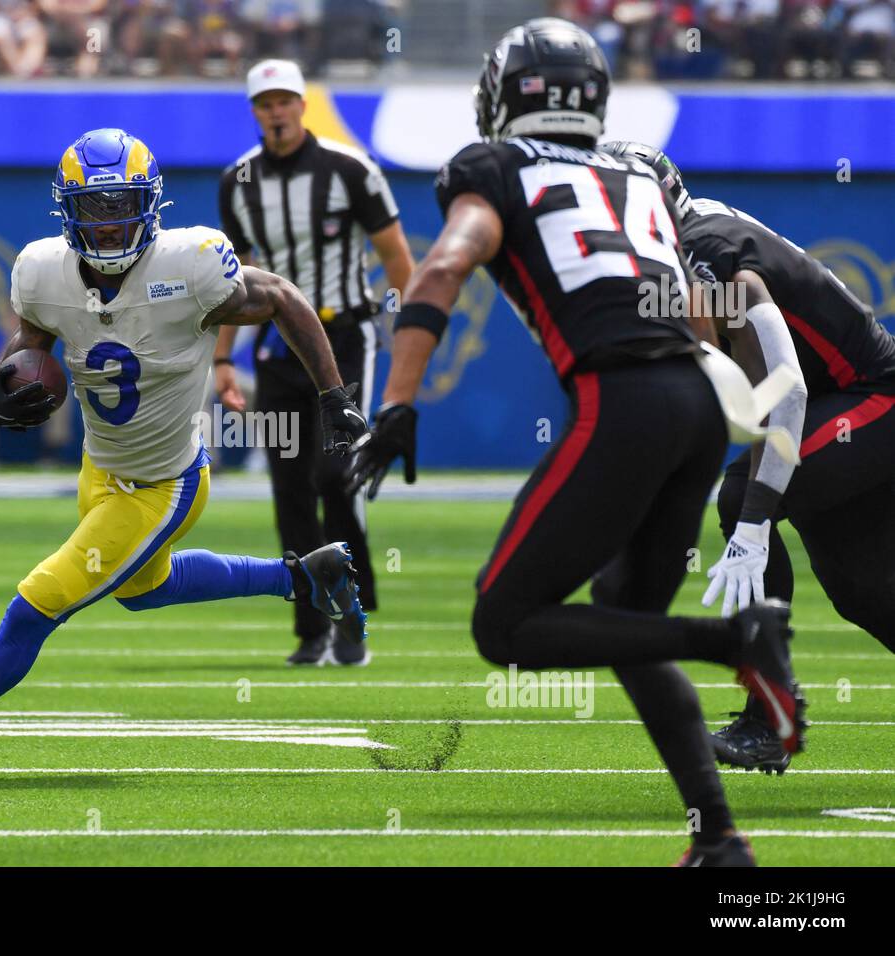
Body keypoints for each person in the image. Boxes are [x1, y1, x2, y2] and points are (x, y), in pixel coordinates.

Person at [346, 18, 804, 866]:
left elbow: (443, 268)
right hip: (699, 403)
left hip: (622, 397)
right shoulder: (641, 172)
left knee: (504, 623)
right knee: (627, 622)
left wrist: (398, 404)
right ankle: (719, 838)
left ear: (507, 94)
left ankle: (732, 639)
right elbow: (695, 313)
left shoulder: (492, 168)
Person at [0, 128, 369, 774]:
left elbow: (282, 297)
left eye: (122, 205)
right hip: (100, 467)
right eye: (96, 207)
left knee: (38, 603)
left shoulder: (192, 265)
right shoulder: (42, 273)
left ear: (149, 204)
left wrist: (332, 395)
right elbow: (30, 341)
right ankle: (303, 578)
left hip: (163, 483)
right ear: (69, 209)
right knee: (143, 590)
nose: (111, 224)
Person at [601, 141, 895, 773]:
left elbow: (786, 389)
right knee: (865, 591)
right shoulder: (688, 243)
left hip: (873, 396)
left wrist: (755, 522)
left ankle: (770, 717)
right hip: (842, 402)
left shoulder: (705, 255)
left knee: (745, 494)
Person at [216, 58, 414, 666]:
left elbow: (398, 259)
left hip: (346, 339)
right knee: (289, 487)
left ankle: (352, 610)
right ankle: (311, 627)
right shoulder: (238, 183)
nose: (275, 111)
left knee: (335, 477)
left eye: (284, 100)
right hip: (276, 348)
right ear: (253, 110)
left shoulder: (349, 169)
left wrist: (410, 332)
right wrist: (224, 359)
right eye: (264, 102)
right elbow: (235, 277)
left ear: (302, 104)